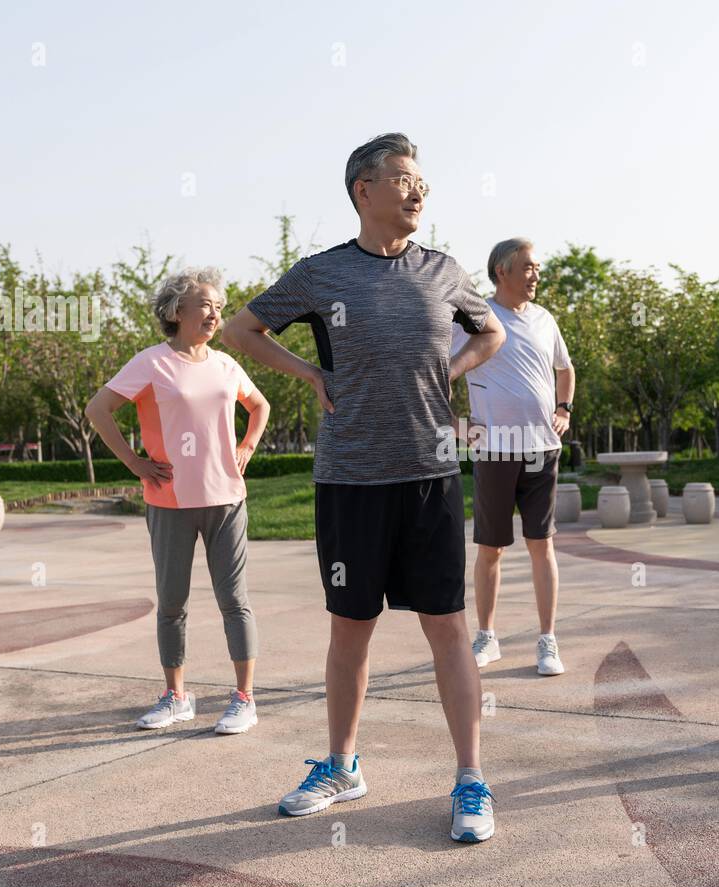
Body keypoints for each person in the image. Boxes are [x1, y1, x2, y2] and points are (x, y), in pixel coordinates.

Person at [220, 133, 508, 841]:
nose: (419, 191)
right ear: (364, 191)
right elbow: (241, 328)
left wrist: (455, 367)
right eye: (405, 179)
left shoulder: (444, 270)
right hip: (350, 479)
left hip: (431, 478)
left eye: (422, 181)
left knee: (449, 629)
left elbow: (492, 331)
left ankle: (471, 779)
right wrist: (310, 373)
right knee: (351, 629)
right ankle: (343, 764)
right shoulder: (321, 275)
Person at [85, 267, 269, 735]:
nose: (215, 313)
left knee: (235, 600)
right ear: (177, 310)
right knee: (172, 603)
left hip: (226, 498)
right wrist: (135, 464)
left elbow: (259, 405)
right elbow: (98, 409)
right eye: (205, 304)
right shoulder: (151, 363)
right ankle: (176, 697)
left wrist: (246, 447)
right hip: (168, 501)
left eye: (219, 307)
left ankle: (244, 699)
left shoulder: (227, 365)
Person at [453, 237, 575, 676]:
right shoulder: (475, 319)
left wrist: (564, 409)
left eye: (537, 267)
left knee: (542, 546)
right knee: (491, 549)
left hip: (543, 448)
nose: (536, 275)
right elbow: (435, 372)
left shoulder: (545, 319)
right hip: (495, 451)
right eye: (527, 267)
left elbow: (566, 367)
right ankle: (486, 636)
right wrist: (458, 427)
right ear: (501, 271)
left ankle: (548, 641)